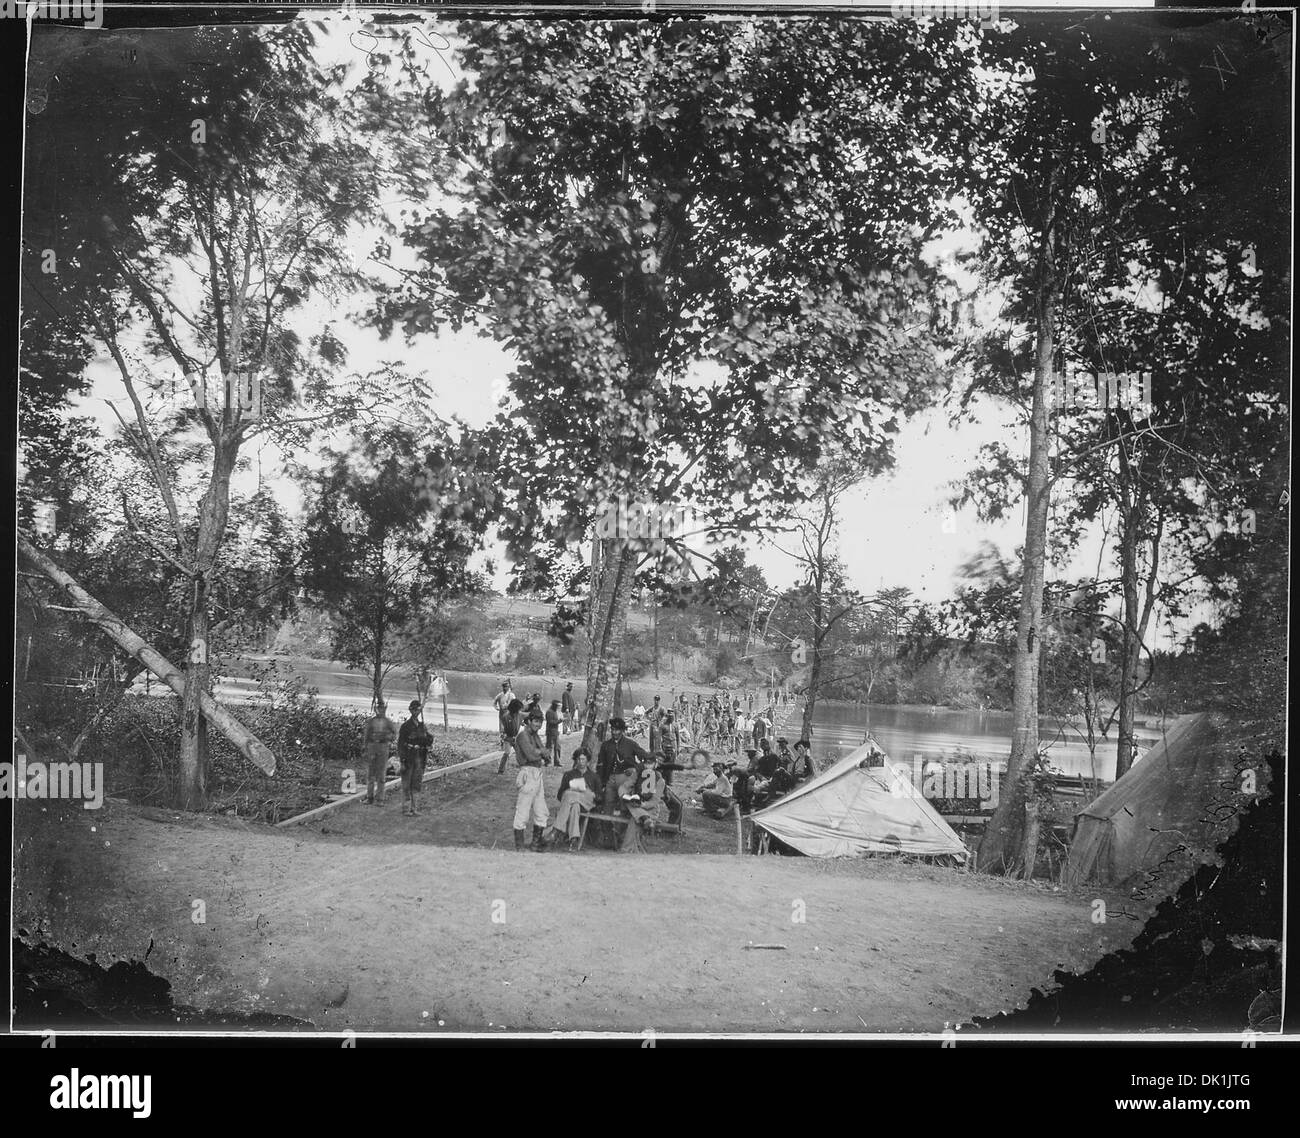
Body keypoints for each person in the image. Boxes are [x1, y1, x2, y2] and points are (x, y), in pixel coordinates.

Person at [513, 708, 550, 852]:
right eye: (535, 721)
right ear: (528, 721)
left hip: (537, 774)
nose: (538, 725)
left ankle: (536, 843)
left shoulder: (534, 736)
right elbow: (531, 755)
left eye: (540, 722)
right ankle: (520, 846)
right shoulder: (523, 735)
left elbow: (545, 754)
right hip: (527, 773)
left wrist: (541, 752)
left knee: (541, 811)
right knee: (523, 810)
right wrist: (542, 752)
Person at [548, 749, 597, 851]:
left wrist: (586, 792)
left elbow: (599, 796)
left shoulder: (594, 776)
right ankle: (574, 839)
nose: (581, 762)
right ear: (575, 760)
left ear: (588, 761)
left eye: (583, 759)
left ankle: (556, 830)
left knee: (570, 795)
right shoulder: (569, 774)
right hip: (572, 805)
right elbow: (560, 795)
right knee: (574, 805)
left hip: (587, 804)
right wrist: (572, 789)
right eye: (578, 759)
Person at [596, 717, 654, 790]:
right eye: (612, 730)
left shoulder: (631, 744)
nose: (614, 732)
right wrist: (601, 784)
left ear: (622, 730)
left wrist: (635, 769)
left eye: (617, 730)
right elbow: (601, 766)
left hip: (627, 780)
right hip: (610, 781)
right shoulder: (606, 745)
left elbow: (648, 758)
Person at [398, 700, 433, 815]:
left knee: (416, 784)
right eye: (413, 709)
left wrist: (427, 736)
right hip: (408, 757)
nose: (416, 712)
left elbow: (428, 741)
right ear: (410, 710)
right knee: (406, 784)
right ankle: (406, 809)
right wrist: (402, 761)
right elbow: (400, 745)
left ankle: (414, 808)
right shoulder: (405, 727)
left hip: (420, 758)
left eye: (418, 710)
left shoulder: (422, 726)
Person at [362, 700, 397, 806]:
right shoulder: (371, 721)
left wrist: (387, 737)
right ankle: (369, 797)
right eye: (378, 708)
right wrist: (365, 748)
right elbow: (366, 736)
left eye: (382, 708)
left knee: (381, 774)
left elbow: (394, 735)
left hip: (383, 747)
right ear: (376, 709)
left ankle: (380, 799)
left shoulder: (388, 722)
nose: (380, 710)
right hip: (372, 747)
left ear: (385, 709)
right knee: (371, 774)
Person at [496, 697, 525, 774]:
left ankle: (524, 768)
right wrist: (502, 735)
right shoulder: (506, 716)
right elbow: (503, 727)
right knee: (507, 753)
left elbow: (528, 714)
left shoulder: (520, 714)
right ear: (513, 709)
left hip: (516, 738)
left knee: (520, 753)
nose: (518, 711)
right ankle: (500, 770)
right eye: (518, 709)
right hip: (508, 738)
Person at [545, 699, 562, 766]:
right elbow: (550, 722)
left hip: (555, 732)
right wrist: (559, 721)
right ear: (554, 705)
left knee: (557, 747)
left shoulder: (554, 711)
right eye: (557, 706)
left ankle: (557, 762)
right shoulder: (549, 712)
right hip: (550, 732)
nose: (558, 707)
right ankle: (547, 761)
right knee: (549, 747)